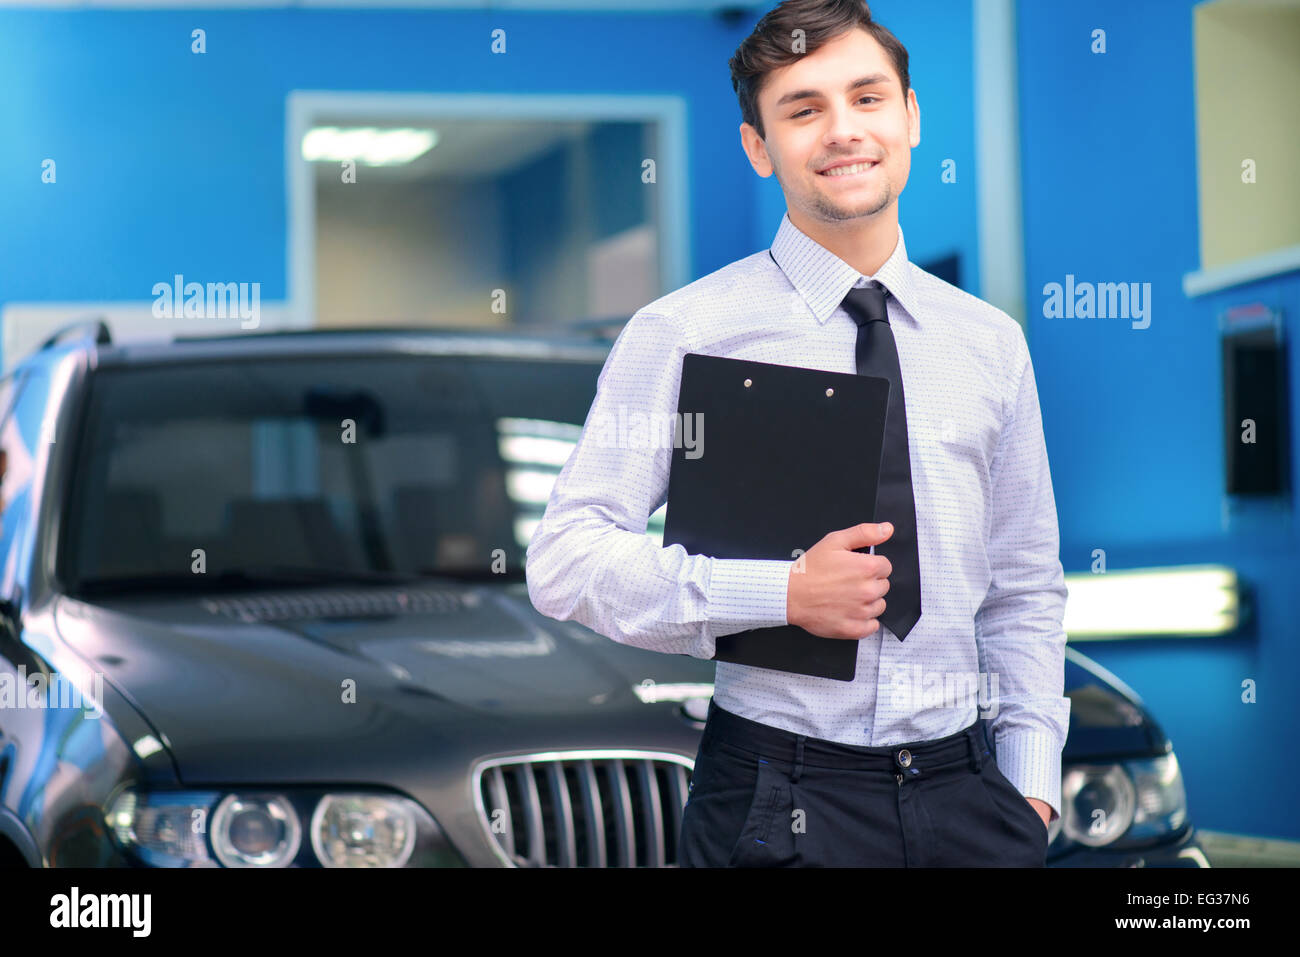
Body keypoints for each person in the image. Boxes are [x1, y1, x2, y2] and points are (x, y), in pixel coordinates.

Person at [526, 0, 1068, 867]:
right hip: (774, 798)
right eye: (804, 108)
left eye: (867, 97)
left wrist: (1030, 789)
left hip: (972, 796)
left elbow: (1024, 586)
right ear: (758, 146)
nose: (844, 131)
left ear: (911, 116)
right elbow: (564, 559)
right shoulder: (685, 331)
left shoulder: (990, 343)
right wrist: (778, 593)